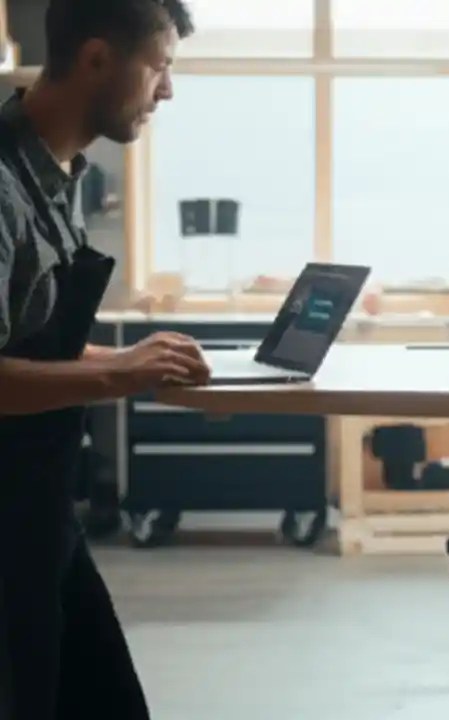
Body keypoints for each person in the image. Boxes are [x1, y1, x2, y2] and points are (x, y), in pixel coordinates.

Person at [0, 1, 208, 717]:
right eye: (159, 69)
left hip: (39, 513)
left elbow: (27, 341)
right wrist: (120, 372)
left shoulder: (58, 176)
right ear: (96, 59)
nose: (168, 91)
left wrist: (131, 357)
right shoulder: (0, 187)